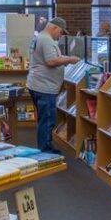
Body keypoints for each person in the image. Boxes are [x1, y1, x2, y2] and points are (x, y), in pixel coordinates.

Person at [26, 17, 79, 153]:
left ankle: (45, 146)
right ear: (54, 28)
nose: (60, 35)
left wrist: (63, 60)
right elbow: (51, 61)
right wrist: (69, 59)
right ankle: (45, 150)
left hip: (38, 84)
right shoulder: (47, 40)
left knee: (45, 118)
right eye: (60, 32)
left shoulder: (41, 37)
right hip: (44, 87)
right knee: (48, 119)